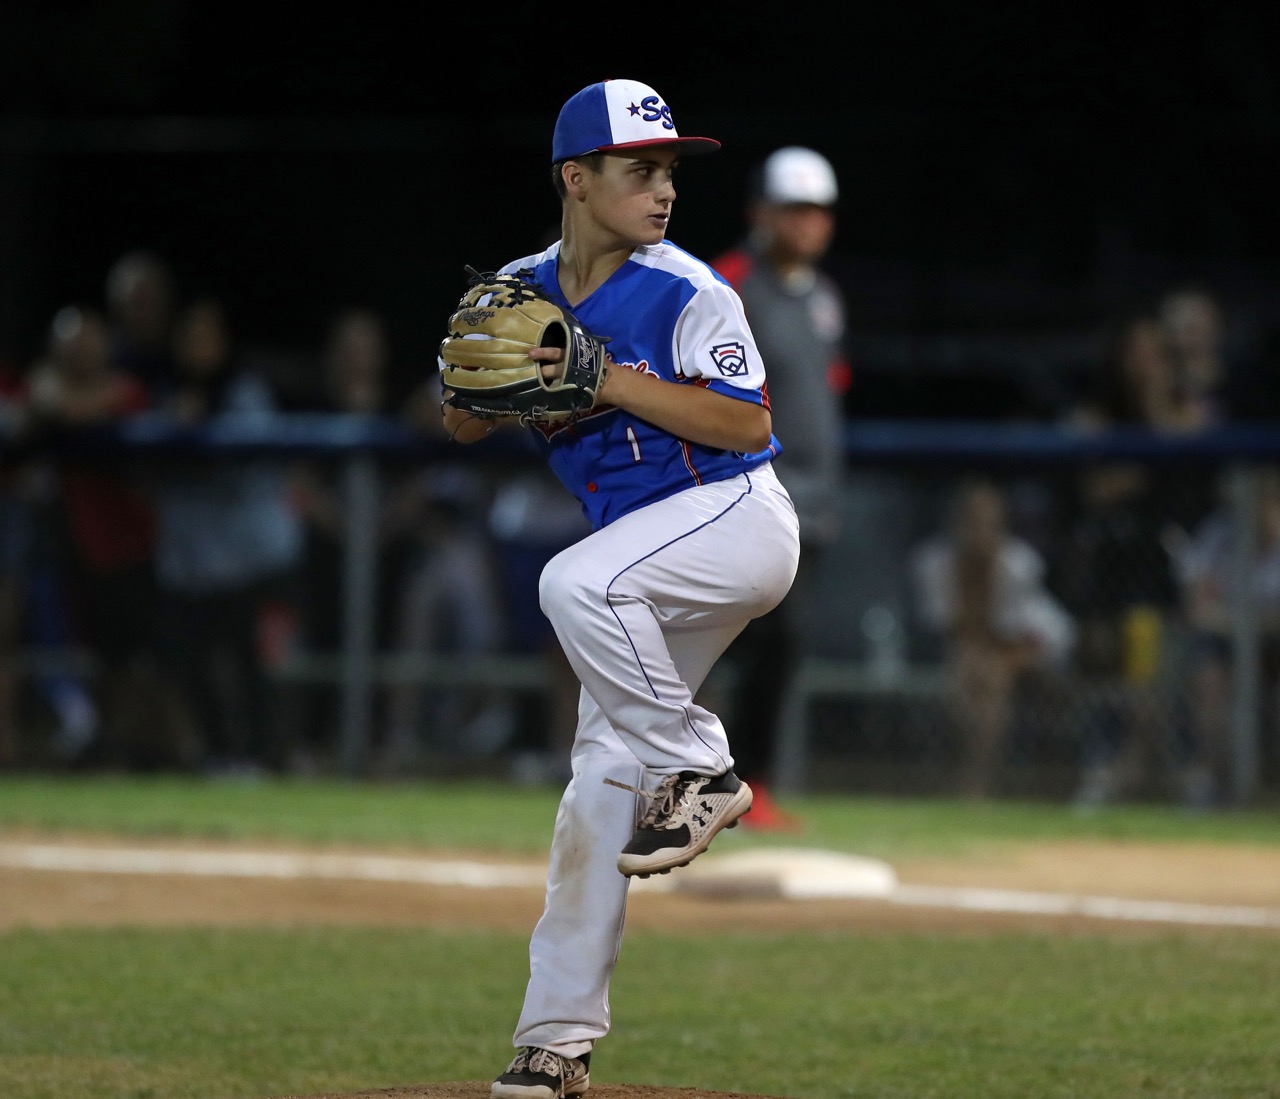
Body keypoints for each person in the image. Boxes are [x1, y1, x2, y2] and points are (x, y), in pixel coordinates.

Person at [438, 79, 800, 1099]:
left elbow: (745, 425)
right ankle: (553, 1040)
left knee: (572, 582)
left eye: (669, 171)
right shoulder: (521, 286)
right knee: (598, 780)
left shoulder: (688, 289)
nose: (663, 189)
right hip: (649, 564)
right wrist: (495, 382)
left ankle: (703, 766)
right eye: (639, 169)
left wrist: (597, 373)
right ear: (576, 179)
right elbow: (461, 413)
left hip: (733, 518)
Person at [705, 144, 849, 829]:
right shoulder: (730, 284)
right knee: (728, 640)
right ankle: (699, 777)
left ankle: (747, 782)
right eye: (795, 208)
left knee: (782, 647)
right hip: (749, 493)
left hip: (814, 500)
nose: (808, 223)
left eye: (818, 210)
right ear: (762, 211)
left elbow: (826, 393)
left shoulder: (823, 298)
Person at [148, 297, 304, 775]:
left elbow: (247, 460)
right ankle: (219, 756)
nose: (199, 347)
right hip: (193, 564)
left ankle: (267, 759)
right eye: (190, 336)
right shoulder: (164, 392)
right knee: (192, 664)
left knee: (256, 667)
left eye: (208, 336)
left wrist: (198, 430)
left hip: (254, 560)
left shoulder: (245, 389)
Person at [909, 478, 1076, 798]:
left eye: (989, 523)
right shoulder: (934, 564)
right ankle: (975, 778)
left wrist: (994, 662)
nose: (980, 532)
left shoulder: (1018, 564)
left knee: (991, 676)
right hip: (981, 656)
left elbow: (1027, 638)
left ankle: (976, 782)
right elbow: (953, 630)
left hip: (1044, 650)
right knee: (974, 673)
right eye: (972, 522)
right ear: (956, 524)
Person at [1175, 465, 1280, 808]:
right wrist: (1245, 623)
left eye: (1269, 502)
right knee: (1210, 680)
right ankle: (1211, 778)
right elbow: (1197, 606)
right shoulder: (1220, 534)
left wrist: (1239, 620)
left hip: (1271, 643)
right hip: (1223, 639)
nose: (1260, 512)